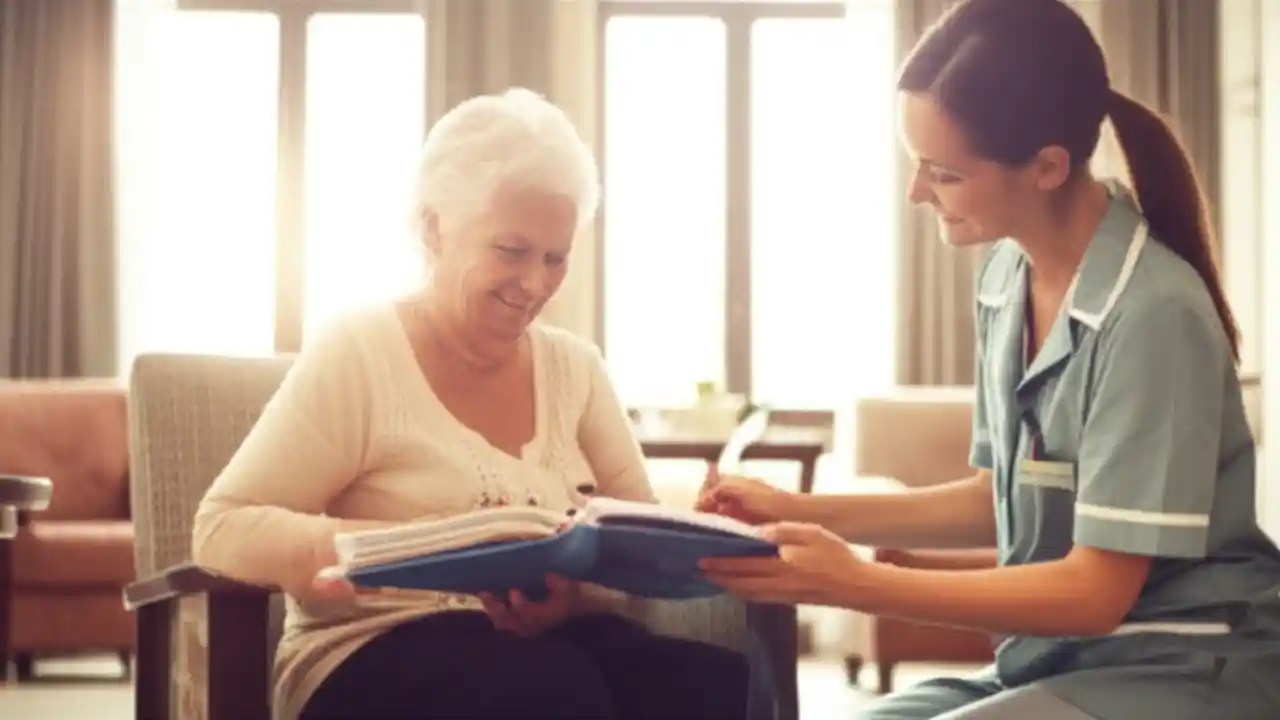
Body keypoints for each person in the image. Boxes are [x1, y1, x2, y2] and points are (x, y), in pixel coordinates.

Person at [696, 1, 1280, 718]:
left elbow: (1095, 593)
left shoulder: (1154, 313)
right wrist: (796, 511)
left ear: (1047, 167)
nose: (916, 192)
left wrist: (851, 581)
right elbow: (992, 499)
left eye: (941, 172)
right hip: (1056, 659)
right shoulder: (1006, 278)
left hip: (1180, 666)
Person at [191, 88, 749, 720]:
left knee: (715, 687)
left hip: (547, 646)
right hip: (370, 654)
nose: (536, 284)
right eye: (511, 251)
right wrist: (399, 550)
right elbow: (222, 527)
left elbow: (636, 555)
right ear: (434, 227)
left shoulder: (577, 369)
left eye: (555, 258)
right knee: (552, 689)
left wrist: (576, 597)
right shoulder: (361, 350)